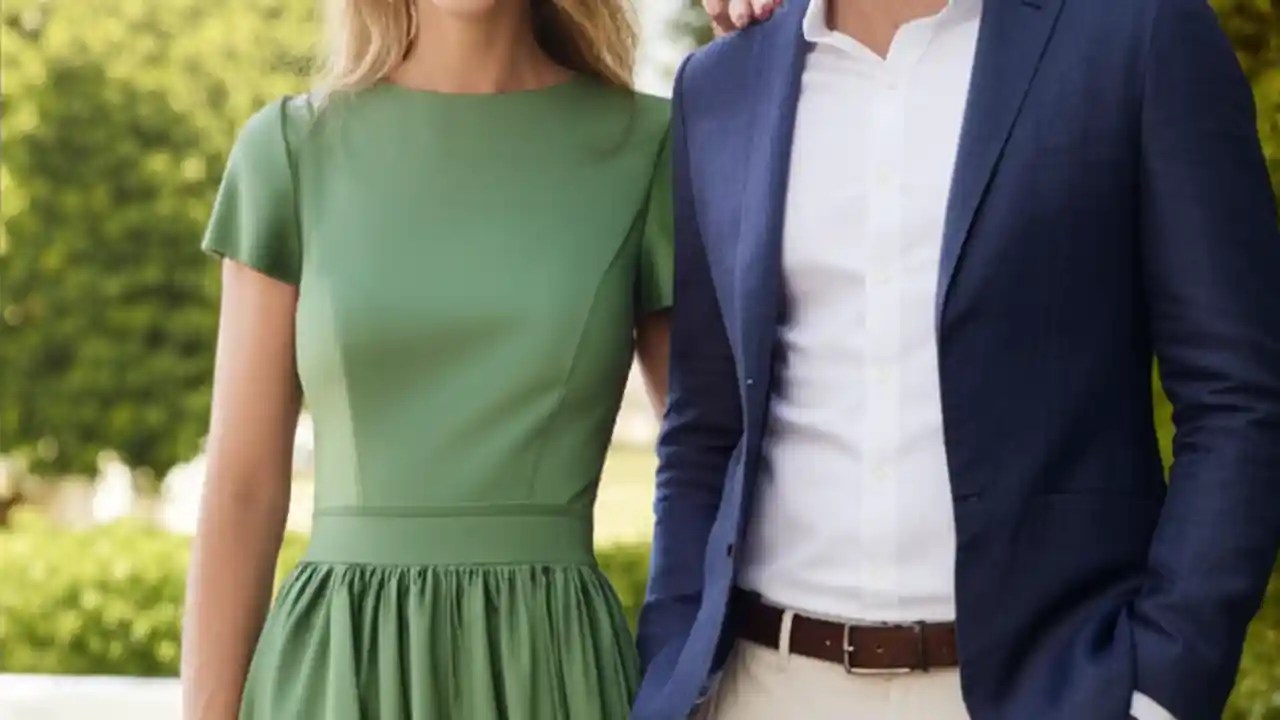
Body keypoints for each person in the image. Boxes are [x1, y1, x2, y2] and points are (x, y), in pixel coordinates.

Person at [637, 0, 1280, 719]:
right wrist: (671, 668)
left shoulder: (1138, 32)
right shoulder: (721, 82)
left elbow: (1238, 398)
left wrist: (1161, 690)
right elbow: (704, 425)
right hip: (762, 686)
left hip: (1046, 689)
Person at [180, 0, 673, 717]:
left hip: (550, 668)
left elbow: (706, 463)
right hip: (337, 673)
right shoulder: (289, 150)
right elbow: (241, 488)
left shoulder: (650, 149)